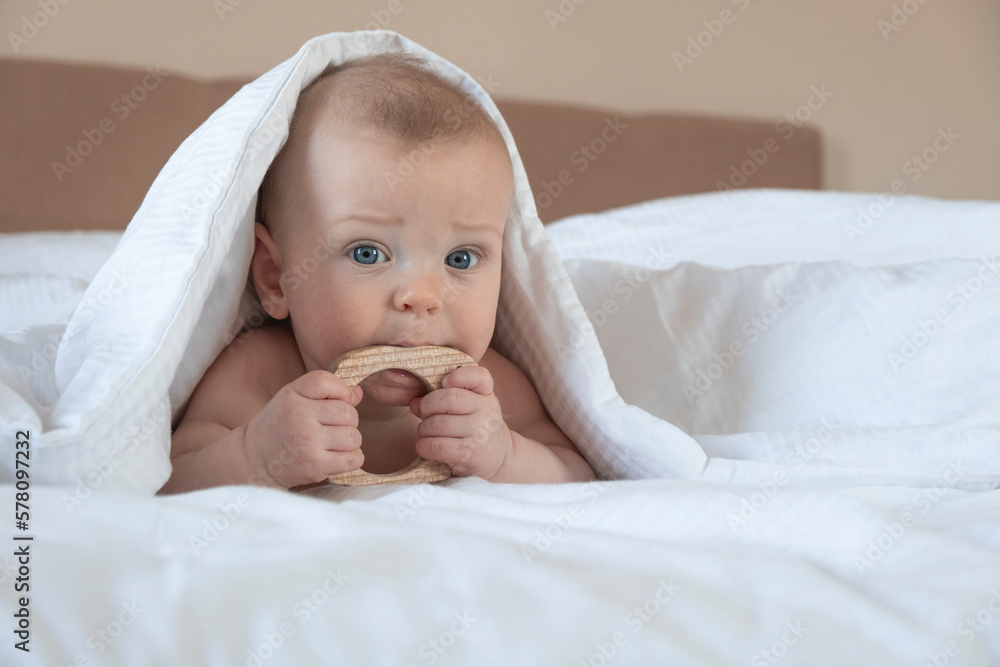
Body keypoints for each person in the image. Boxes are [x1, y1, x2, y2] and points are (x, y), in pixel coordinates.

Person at [161, 53, 595, 493]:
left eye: (461, 258)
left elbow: (578, 478)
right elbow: (168, 483)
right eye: (368, 254)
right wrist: (256, 454)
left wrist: (506, 456)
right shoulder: (258, 374)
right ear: (277, 277)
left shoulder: (486, 388)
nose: (422, 296)